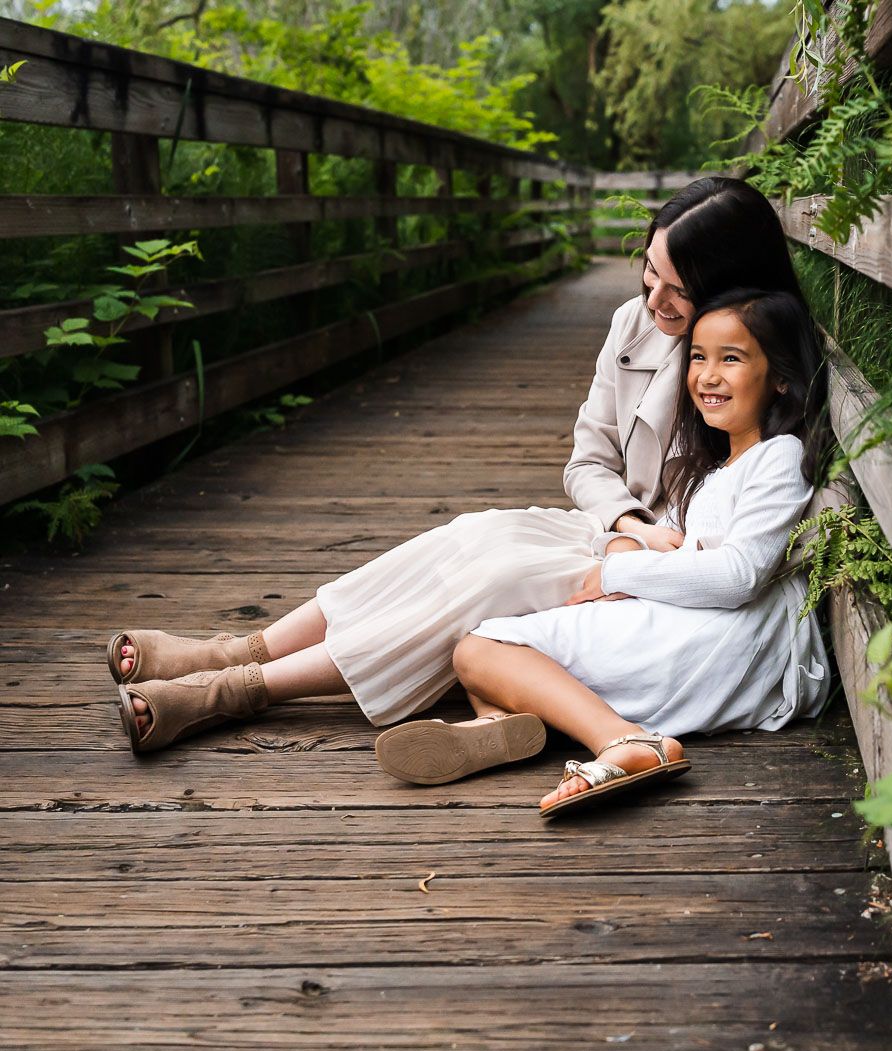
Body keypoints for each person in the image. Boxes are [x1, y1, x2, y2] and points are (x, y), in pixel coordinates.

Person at [108, 177, 806, 754]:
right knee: (469, 536)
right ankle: (238, 648)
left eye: (677, 289)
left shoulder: (740, 366)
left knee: (493, 578)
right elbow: (588, 459)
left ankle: (236, 692)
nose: (654, 300)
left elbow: (733, 522)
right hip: (614, 529)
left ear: (724, 287)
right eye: (648, 271)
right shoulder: (635, 325)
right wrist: (626, 522)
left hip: (661, 567)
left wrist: (648, 544)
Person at [375, 289, 832, 815]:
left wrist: (616, 573)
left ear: (780, 376)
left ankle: (625, 741)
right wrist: (618, 561)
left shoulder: (779, 455)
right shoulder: (714, 469)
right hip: (696, 622)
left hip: (727, 638)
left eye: (731, 359)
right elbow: (679, 552)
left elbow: (739, 577)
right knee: (498, 661)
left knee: (482, 649)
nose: (708, 375)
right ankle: (501, 726)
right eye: (699, 357)